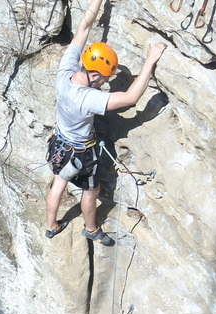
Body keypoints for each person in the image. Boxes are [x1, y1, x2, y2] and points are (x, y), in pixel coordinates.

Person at [44, 0, 168, 246]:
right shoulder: (87, 98)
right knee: (92, 191)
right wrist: (150, 61)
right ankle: (91, 229)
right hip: (80, 153)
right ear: (94, 74)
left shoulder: (65, 71)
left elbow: (83, 28)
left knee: (58, 183)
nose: (103, 83)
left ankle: (51, 227)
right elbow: (131, 98)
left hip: (58, 143)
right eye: (103, 80)